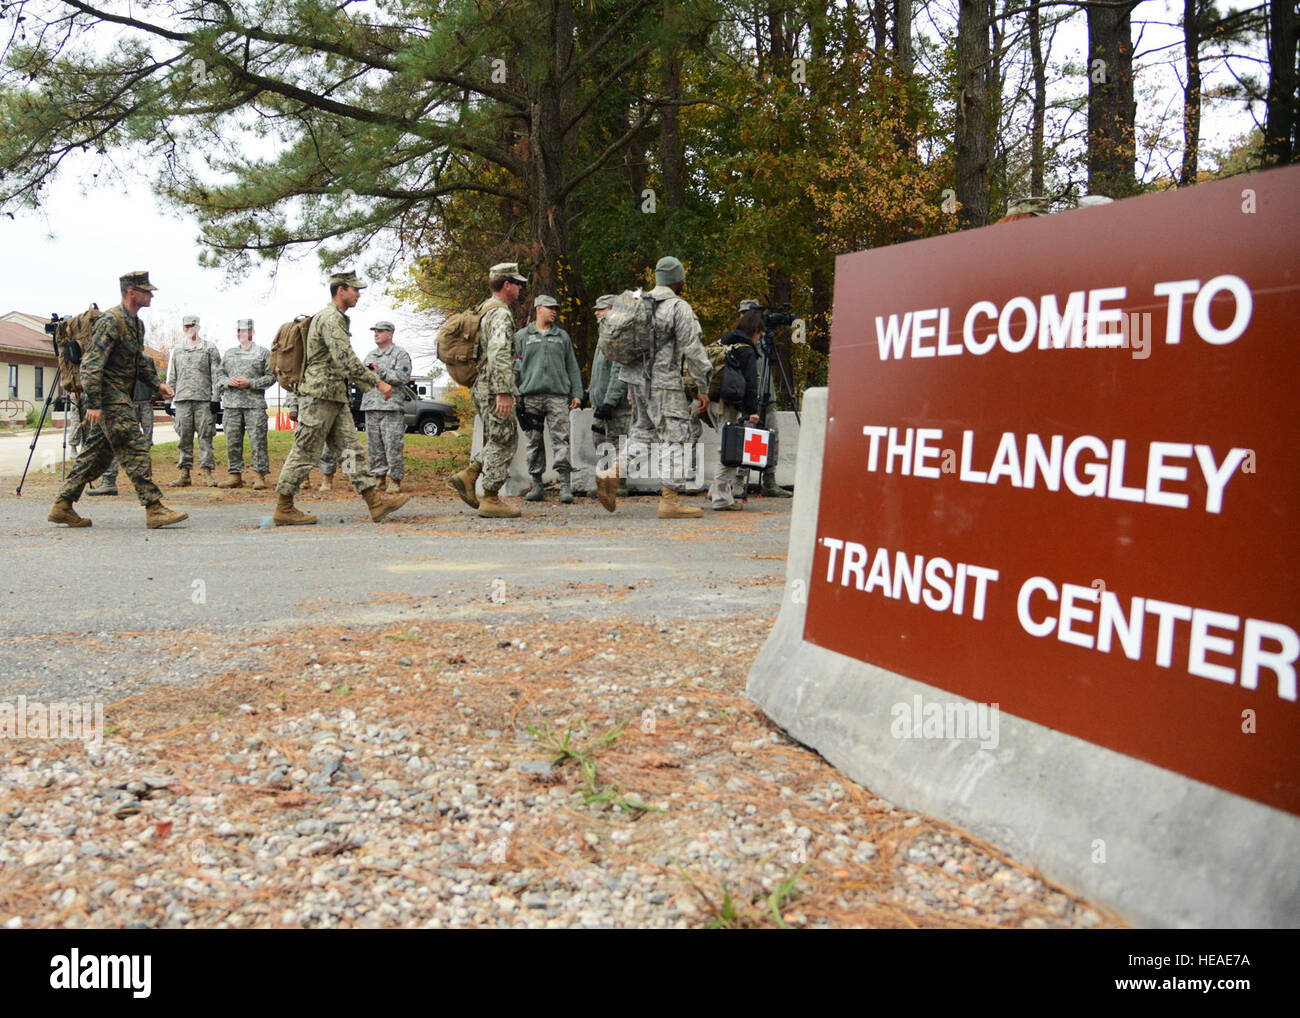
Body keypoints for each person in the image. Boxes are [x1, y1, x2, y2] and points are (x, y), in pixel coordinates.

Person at [47, 271, 187, 529]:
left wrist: (158, 384)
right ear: (131, 292)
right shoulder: (111, 321)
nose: (151, 295)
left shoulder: (136, 324)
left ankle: (62, 505)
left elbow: (139, 361)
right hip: (109, 397)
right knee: (135, 447)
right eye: (146, 290)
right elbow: (90, 365)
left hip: (120, 395)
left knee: (95, 456)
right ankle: (154, 507)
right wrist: (95, 404)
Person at [272, 270, 410, 526]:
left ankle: (374, 503)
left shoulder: (337, 318)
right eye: (355, 289)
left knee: (350, 451)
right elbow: (344, 358)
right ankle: (284, 506)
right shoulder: (330, 318)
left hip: (334, 397)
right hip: (318, 397)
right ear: (341, 290)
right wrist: (377, 382)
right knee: (304, 451)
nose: (358, 294)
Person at [598, 256, 710, 518]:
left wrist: (630, 385)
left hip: (636, 381)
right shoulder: (677, 307)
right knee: (677, 436)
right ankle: (670, 500)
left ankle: (613, 472)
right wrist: (702, 386)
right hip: (664, 384)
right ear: (679, 280)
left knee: (643, 431)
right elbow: (693, 351)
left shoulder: (639, 302)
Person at [449, 261, 526, 519]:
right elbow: (499, 353)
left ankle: (470, 475)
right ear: (507, 285)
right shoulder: (501, 313)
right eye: (517, 283)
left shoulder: (484, 309)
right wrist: (504, 391)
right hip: (493, 387)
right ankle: (491, 497)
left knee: (498, 436)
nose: (520, 288)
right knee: (506, 438)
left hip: (482, 384)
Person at [515, 294, 582, 503]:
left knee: (561, 440)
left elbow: (571, 366)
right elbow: (514, 367)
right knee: (533, 442)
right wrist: (514, 392)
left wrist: (577, 393)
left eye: (556, 308)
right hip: (530, 396)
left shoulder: (562, 337)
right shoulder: (523, 336)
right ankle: (537, 484)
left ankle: (565, 486)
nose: (554, 311)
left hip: (557, 396)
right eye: (550, 308)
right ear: (538, 309)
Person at [737, 298, 791, 499]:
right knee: (745, 437)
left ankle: (769, 481)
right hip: (747, 397)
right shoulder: (738, 340)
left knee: (772, 436)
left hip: (768, 395)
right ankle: (738, 481)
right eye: (744, 314)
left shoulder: (765, 338)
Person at [707, 309, 762, 510]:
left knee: (726, 446)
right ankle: (721, 499)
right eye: (759, 335)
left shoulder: (725, 342)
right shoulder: (746, 350)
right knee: (730, 450)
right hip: (727, 405)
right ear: (755, 331)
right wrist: (752, 411)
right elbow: (750, 384)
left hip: (712, 402)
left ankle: (716, 491)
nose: (759, 339)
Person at [216, 318, 274, 490]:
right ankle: (234, 475)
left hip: (254, 404)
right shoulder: (230, 353)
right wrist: (227, 381)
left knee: (258, 442)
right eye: (239, 331)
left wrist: (251, 383)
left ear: (252, 332)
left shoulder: (263, 353)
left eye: (245, 331)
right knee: (232, 442)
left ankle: (259, 476)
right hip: (232, 405)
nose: (241, 334)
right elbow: (219, 376)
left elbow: (272, 377)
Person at [166, 314, 222, 487]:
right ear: (183, 328)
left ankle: (207, 473)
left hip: (204, 400)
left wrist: (216, 398)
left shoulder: (209, 348)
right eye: (187, 326)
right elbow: (172, 376)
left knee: (206, 437)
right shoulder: (177, 350)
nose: (190, 329)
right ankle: (184, 473)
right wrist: (168, 401)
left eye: (193, 326)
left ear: (198, 327)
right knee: (184, 437)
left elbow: (217, 375)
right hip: (182, 400)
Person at [360, 320, 412, 493]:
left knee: (392, 445)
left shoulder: (400, 354)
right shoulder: (369, 355)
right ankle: (378, 478)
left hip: (391, 407)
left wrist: (380, 371)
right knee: (375, 446)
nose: (376, 334)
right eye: (375, 331)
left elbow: (402, 377)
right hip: (371, 405)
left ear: (390, 334)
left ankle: (395, 480)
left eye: (380, 331)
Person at [588, 294, 630, 498]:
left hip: (615, 405)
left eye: (602, 308)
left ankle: (618, 484)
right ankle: (605, 481)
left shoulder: (618, 335)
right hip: (600, 403)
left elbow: (619, 372)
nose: (597, 312)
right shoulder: (605, 334)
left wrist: (610, 401)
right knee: (600, 440)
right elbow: (600, 371)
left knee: (615, 442)